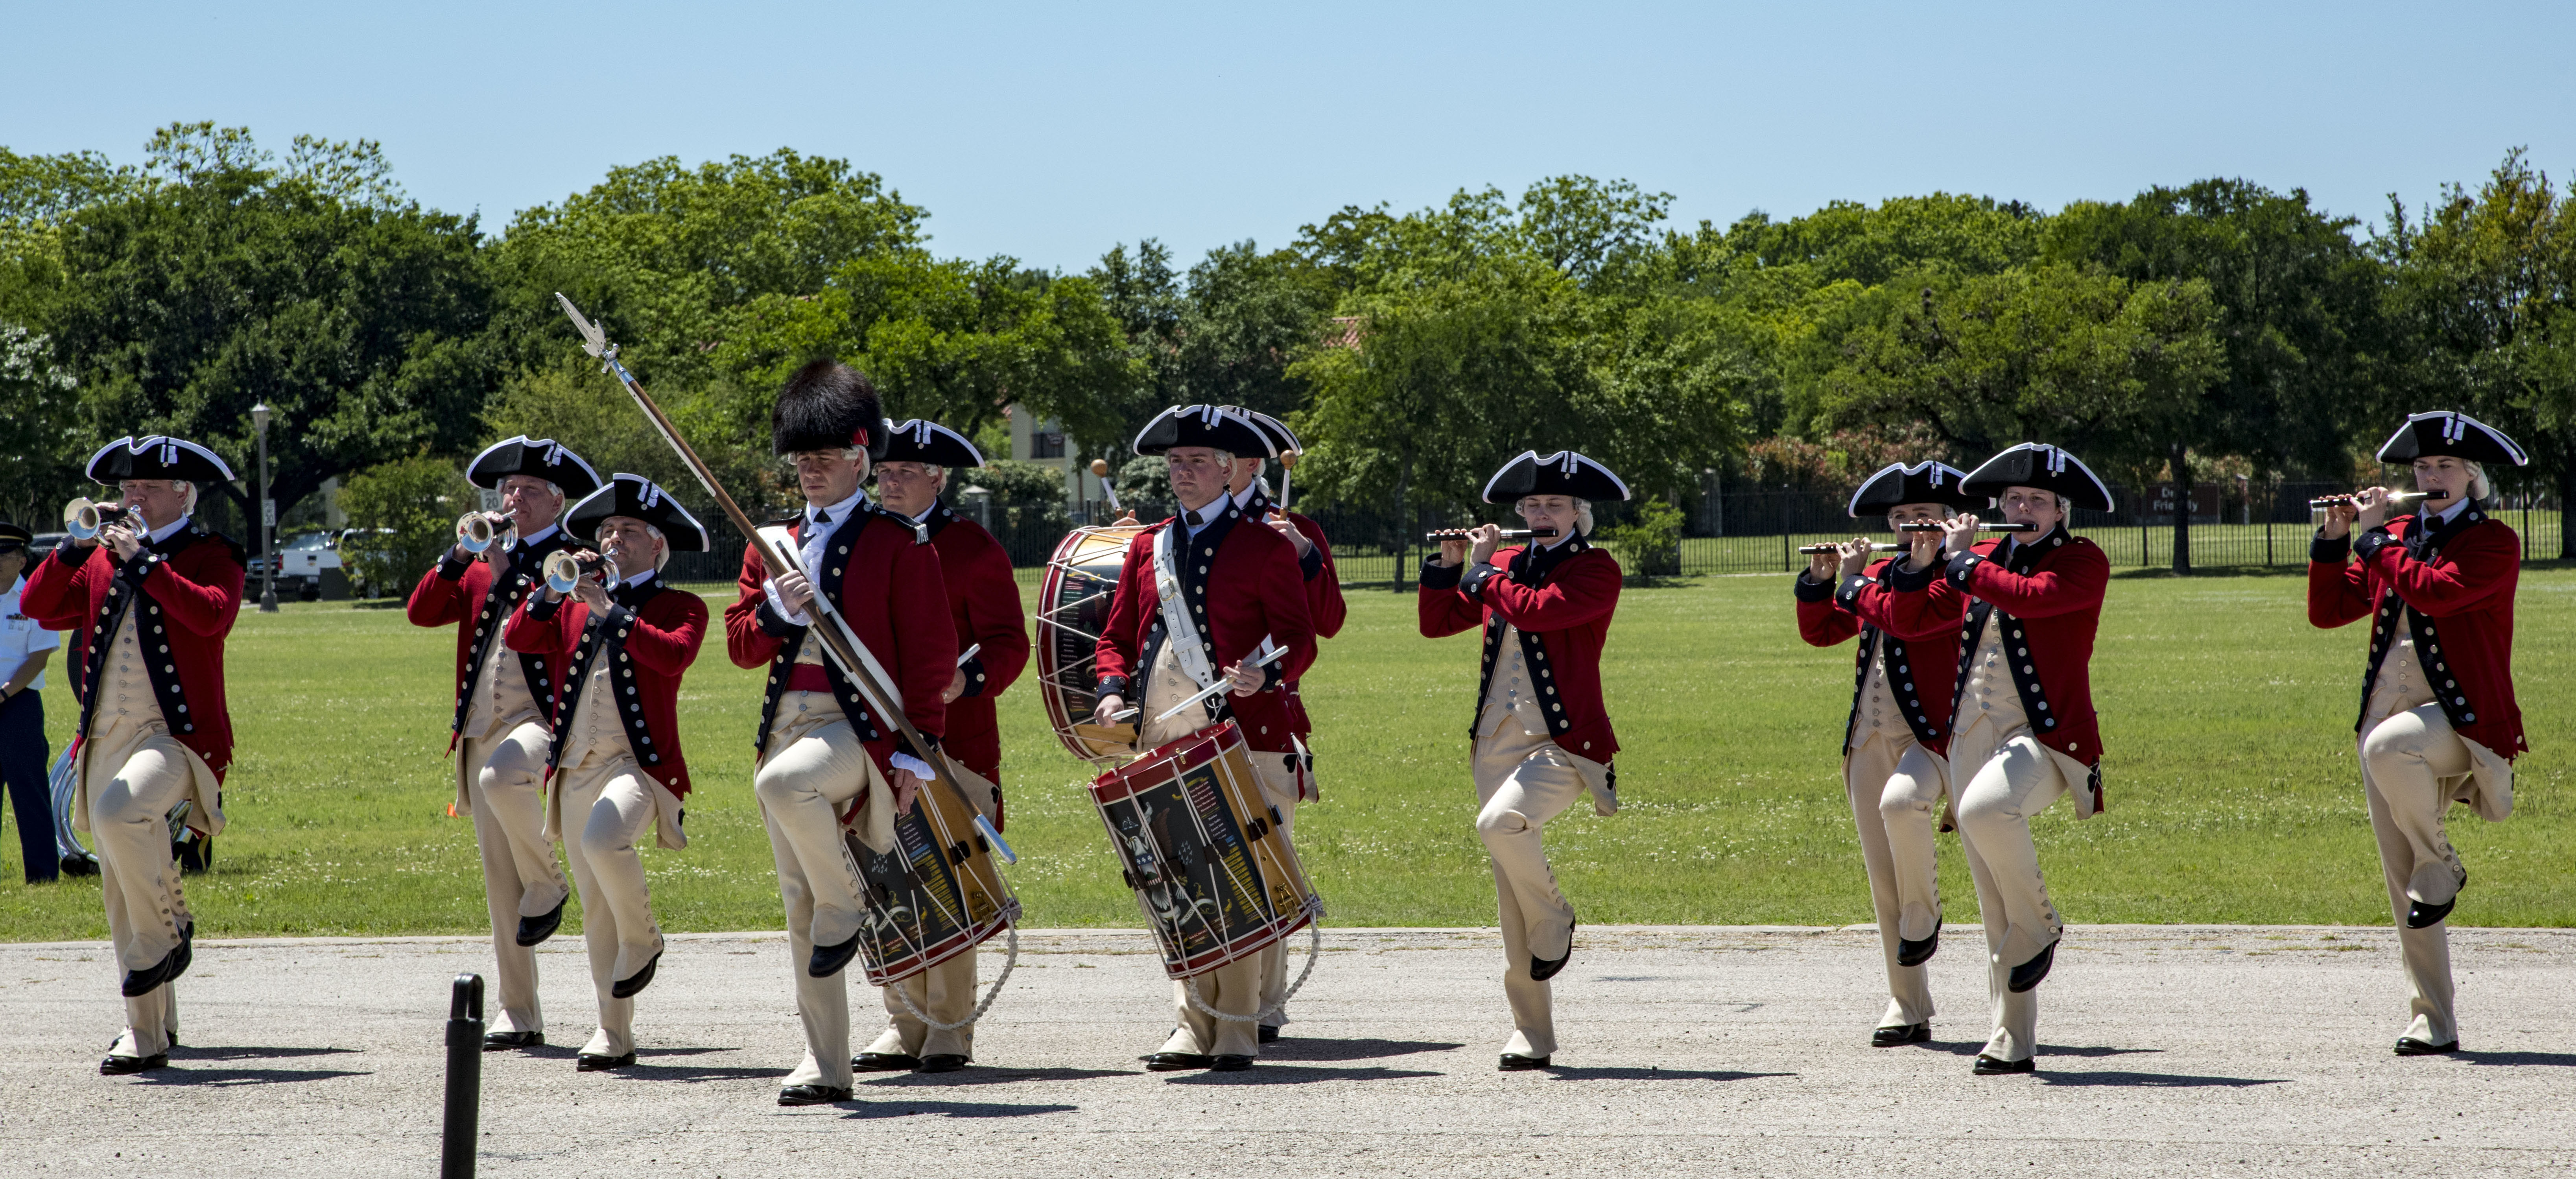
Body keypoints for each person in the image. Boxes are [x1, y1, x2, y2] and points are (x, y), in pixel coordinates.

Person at [724, 360, 955, 1107]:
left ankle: (848, 903)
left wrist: (918, 753)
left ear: (861, 456)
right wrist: (778, 612)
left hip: (863, 731)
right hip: (785, 722)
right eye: (801, 460)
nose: (810, 472)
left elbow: (928, 655)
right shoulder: (769, 543)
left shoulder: (897, 541)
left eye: (824, 459)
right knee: (798, 902)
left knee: (783, 786)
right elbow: (740, 645)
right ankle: (825, 1062)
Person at [1090, 404, 1317, 1073]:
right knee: (1175, 877)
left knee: (1238, 879)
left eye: (1195, 463)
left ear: (1228, 471)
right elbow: (1115, 639)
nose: (1181, 474)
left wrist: (1262, 671)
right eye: (1174, 463)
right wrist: (1109, 689)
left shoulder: (1265, 544)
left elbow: (1298, 638)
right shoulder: (1147, 545)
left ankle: (1238, 1027)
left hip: (1242, 732)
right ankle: (1191, 1024)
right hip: (1163, 732)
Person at [20, 436, 245, 1074]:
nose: (130, 498)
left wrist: (146, 563)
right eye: (127, 488)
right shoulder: (100, 557)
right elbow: (38, 606)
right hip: (105, 737)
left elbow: (211, 616)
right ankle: (146, 1030)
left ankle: (171, 926)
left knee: (120, 814)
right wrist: (70, 547)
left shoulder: (211, 554)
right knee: (120, 886)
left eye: (146, 488)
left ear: (183, 495)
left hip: (177, 737)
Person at [1887, 442, 2112, 1076]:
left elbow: (2032, 598)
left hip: (2045, 735)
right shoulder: (1979, 559)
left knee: (1989, 811)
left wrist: (1959, 563)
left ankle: (2041, 924)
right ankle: (2011, 1037)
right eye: (2014, 499)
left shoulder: (2080, 560)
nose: (2022, 507)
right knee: (1990, 891)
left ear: (2061, 509)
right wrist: (1917, 563)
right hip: (1969, 733)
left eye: (2037, 500)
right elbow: (1911, 620)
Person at [2309, 410, 2529, 1056]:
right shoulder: (2398, 531)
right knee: (2404, 876)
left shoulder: (2492, 542)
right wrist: (2333, 538)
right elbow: (2329, 610)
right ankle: (2431, 1018)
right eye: (2421, 468)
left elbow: (2432, 593)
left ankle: (2442, 861)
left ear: (2471, 478)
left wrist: (2375, 541)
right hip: (2388, 721)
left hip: (2460, 724)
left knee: (2389, 751)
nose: (2430, 477)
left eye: (2443, 467)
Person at [1418, 449, 1628, 1072]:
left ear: (1578, 514)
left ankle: (1557, 914)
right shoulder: (1503, 563)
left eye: (1554, 505)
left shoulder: (1597, 570)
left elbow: (1542, 611)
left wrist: (1481, 576)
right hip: (1495, 740)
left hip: (1564, 742)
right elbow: (1438, 624)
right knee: (1510, 897)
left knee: (1500, 824)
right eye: (1532, 505)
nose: (1541, 513)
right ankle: (1531, 1032)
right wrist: (1449, 567)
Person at [504, 474, 709, 1072]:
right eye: (608, 532)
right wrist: (551, 589)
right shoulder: (573, 599)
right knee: (594, 903)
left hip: (638, 765)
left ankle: (644, 938)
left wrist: (613, 612)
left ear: (656, 547)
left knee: (604, 840)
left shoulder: (681, 605)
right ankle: (612, 1031)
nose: (615, 540)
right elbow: (520, 635)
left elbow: (671, 655)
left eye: (627, 532)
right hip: (574, 766)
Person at [406, 435, 603, 1052]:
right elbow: (421, 611)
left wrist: (501, 562)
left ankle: (551, 882)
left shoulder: (572, 563)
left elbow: (550, 618)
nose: (514, 500)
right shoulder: (481, 556)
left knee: (509, 796)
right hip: (482, 731)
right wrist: (459, 552)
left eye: (530, 491)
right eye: (508, 491)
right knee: (498, 882)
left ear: (558, 501)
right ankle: (519, 1011)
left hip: (545, 722)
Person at [852, 419, 1030, 1074]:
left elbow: (1011, 644)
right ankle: (903, 1023)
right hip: (873, 741)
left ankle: (948, 1028)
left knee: (947, 884)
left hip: (956, 745)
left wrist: (965, 679)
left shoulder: (972, 548)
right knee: (885, 880)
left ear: (937, 479)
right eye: (885, 471)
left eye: (905, 473)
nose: (889, 481)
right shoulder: (864, 542)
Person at [1792, 461, 1974, 1047]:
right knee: (1882, 876)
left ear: (1948, 521)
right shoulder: (1876, 573)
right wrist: (1823, 580)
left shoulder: (1964, 574)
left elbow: (1911, 620)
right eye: (1898, 519)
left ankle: (1954, 941)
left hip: (1936, 737)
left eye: (1919, 517)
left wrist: (1855, 582)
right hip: (1868, 738)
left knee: (1930, 827)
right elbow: (1822, 632)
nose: (1907, 527)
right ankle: (1907, 1002)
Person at [1221, 407, 1344, 1043]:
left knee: (1269, 863)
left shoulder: (1294, 528)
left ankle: (1265, 1003)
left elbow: (1327, 622)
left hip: (1268, 719)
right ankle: (1229, 1002)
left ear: (1250, 465)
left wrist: (1303, 557)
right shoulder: (1177, 532)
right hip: (1197, 719)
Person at [0, 522, 63, 884]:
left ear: (22, 560)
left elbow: (39, 657)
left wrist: (5, 692)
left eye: (4, 555)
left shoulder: (34, 598)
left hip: (19, 705)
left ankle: (42, 875)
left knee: (30, 792)